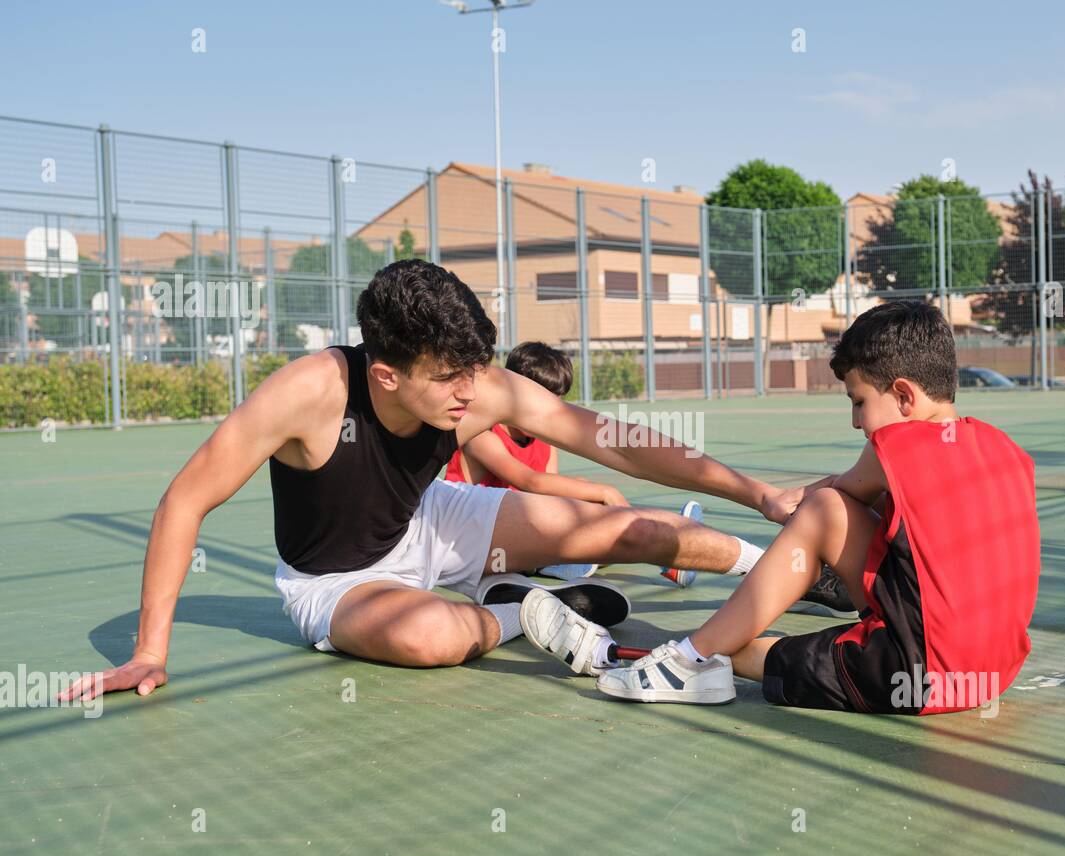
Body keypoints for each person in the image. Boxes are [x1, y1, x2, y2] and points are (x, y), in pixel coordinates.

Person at [61, 260, 824, 703]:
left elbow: (611, 441)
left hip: (437, 518)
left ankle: (791, 569)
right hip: (337, 581)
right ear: (386, 374)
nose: (472, 392)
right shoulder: (307, 394)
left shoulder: (471, 385)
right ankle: (526, 613)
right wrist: (150, 650)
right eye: (450, 377)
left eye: (475, 368)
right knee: (432, 635)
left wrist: (757, 494)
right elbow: (185, 498)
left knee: (650, 530)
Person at [520, 300, 1040, 715]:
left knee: (745, 644)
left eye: (859, 402)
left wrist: (789, 517)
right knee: (832, 516)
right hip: (995, 667)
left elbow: (829, 501)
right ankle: (787, 600)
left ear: (904, 396)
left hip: (917, 674)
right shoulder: (1005, 450)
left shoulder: (899, 447)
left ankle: (680, 659)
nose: (857, 421)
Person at [443, 340, 702, 586]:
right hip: (469, 543)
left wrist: (591, 501)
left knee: (580, 492)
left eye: (558, 400)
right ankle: (561, 558)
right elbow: (530, 481)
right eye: (545, 400)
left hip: (513, 528)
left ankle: (659, 551)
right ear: (518, 393)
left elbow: (551, 492)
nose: (550, 409)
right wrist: (605, 492)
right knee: (590, 498)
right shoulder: (481, 435)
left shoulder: (543, 438)